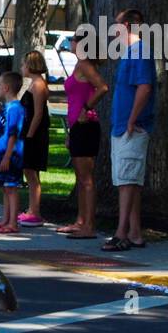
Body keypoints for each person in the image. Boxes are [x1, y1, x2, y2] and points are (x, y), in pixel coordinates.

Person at [103, 8, 157, 252]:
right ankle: (135, 232)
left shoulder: (141, 51)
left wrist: (132, 120)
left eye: (116, 25)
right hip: (123, 126)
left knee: (126, 180)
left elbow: (144, 87)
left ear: (126, 26)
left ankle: (121, 233)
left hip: (132, 127)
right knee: (128, 179)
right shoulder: (131, 53)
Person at [57, 57, 108, 239]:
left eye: (75, 39)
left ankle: (89, 226)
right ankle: (80, 222)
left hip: (87, 126)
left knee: (86, 180)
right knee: (80, 178)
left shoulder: (86, 65)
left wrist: (86, 108)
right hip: (78, 128)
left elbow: (103, 87)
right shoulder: (80, 64)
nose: (71, 42)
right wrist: (71, 132)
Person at [0, 71, 26, 234]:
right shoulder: (7, 107)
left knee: (11, 187)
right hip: (1, 154)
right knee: (5, 187)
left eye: (0, 84)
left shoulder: (15, 109)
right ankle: (5, 219)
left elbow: (13, 134)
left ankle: (13, 223)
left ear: (7, 87)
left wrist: (8, 156)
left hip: (11, 155)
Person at [17, 50, 50, 227]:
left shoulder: (38, 85)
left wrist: (29, 135)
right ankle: (31, 209)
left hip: (35, 134)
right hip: (30, 132)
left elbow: (38, 114)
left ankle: (35, 211)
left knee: (31, 172)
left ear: (30, 65)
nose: (22, 68)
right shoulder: (34, 84)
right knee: (29, 171)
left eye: (23, 64)